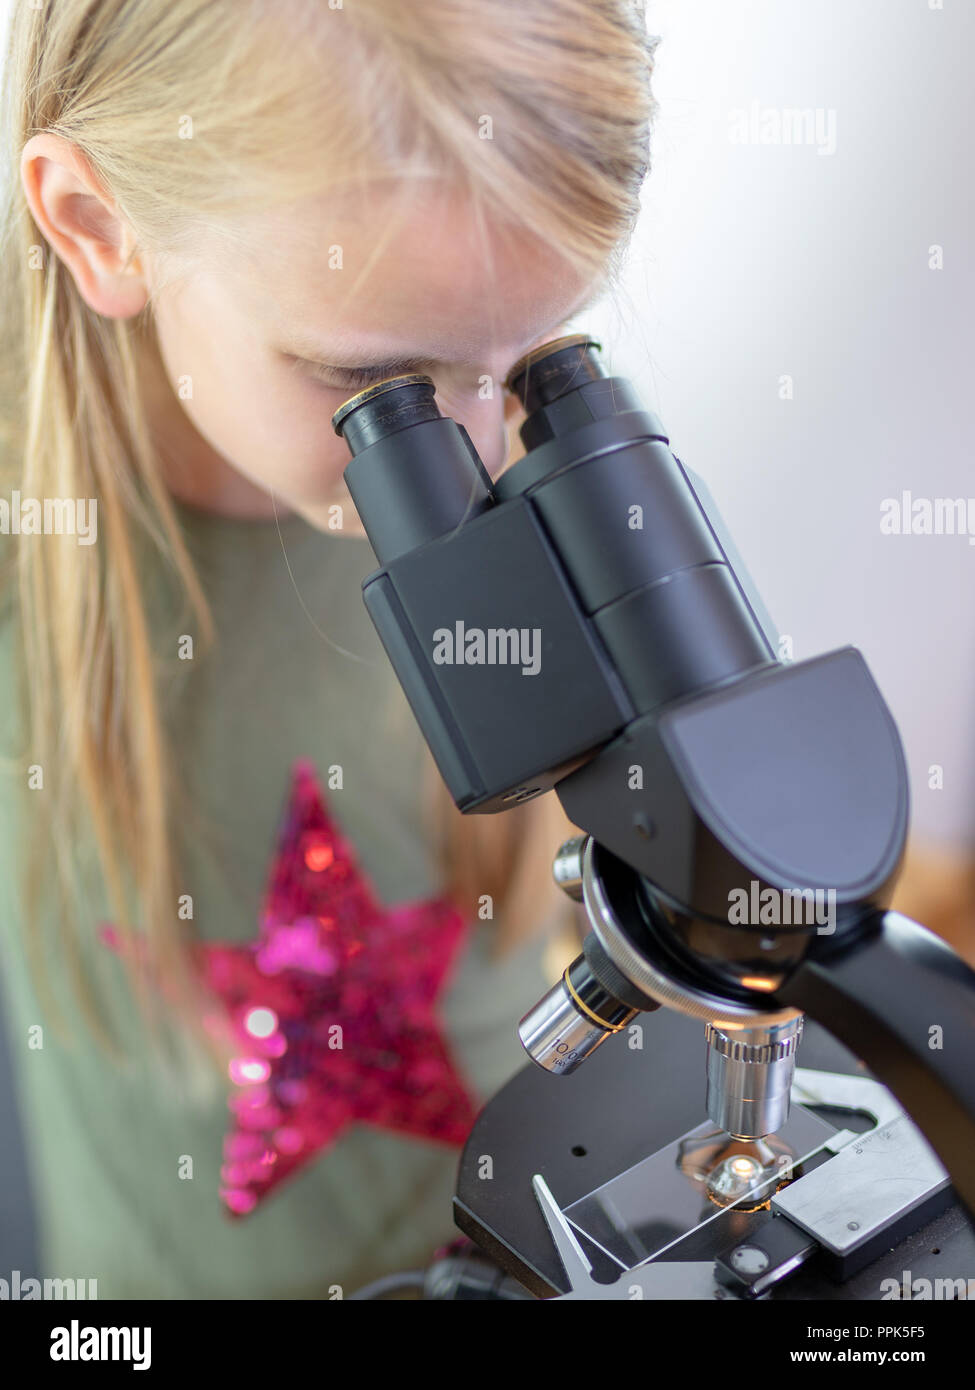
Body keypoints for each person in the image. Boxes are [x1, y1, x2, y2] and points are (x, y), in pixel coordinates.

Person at [0, 0, 658, 1297]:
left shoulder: (464, 347)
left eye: (529, 360)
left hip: (521, 1235)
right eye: (380, 388)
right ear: (98, 224)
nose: (477, 454)